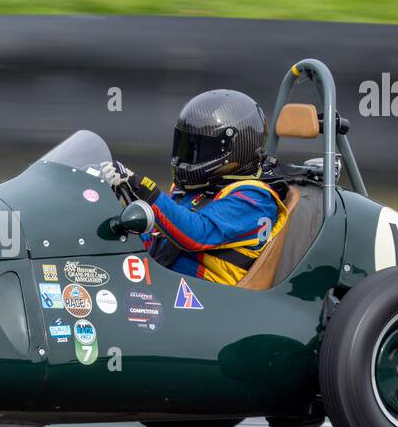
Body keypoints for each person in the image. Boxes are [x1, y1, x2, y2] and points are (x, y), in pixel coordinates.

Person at [100, 89, 289, 286]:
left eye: (201, 148)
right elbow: (156, 236)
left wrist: (143, 188)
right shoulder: (199, 187)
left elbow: (197, 233)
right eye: (188, 145)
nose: (190, 155)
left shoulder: (256, 200)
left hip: (210, 304)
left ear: (233, 149)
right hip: (164, 287)